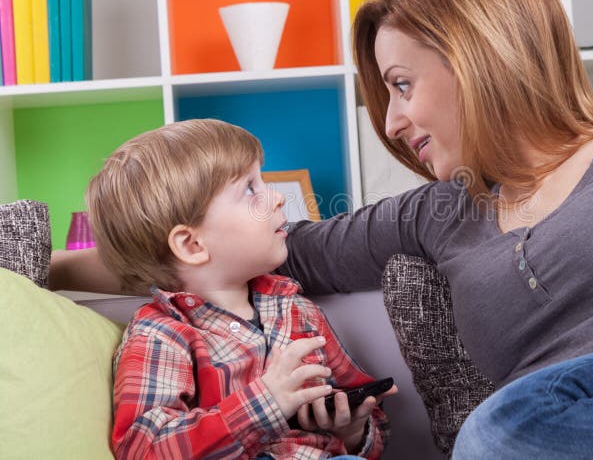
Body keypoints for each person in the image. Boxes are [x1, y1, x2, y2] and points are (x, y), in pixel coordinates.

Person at [51, 0, 593, 458]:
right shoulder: (440, 212)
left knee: (498, 431)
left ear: (482, 56)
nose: (391, 121)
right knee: (509, 430)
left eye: (402, 85)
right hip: (577, 432)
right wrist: (58, 268)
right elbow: (229, 250)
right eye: (385, 95)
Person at [85, 119, 395, 459]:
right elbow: (144, 450)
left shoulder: (299, 312)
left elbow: (368, 416)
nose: (276, 197)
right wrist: (265, 403)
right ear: (191, 244)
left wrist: (352, 430)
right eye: (250, 189)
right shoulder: (160, 335)